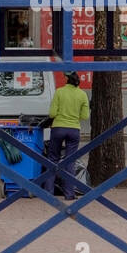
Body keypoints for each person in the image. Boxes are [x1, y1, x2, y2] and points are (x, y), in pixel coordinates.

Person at [44, 70, 90, 201]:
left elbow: (52, 114)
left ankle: (48, 193)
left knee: (52, 159)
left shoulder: (60, 92)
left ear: (66, 78)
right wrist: (74, 117)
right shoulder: (82, 94)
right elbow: (85, 116)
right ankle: (69, 194)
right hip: (74, 129)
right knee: (70, 161)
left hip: (58, 128)